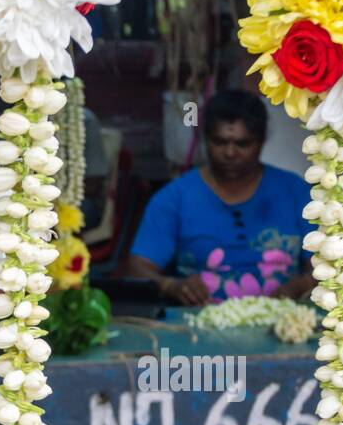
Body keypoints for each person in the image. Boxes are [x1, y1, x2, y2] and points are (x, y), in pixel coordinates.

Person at [122, 89, 314, 304]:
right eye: (219, 142)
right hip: (195, 326)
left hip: (285, 323)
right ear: (205, 140)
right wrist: (172, 286)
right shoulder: (174, 198)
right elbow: (137, 269)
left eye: (243, 144)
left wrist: (301, 285)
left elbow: (325, 267)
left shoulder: (295, 191)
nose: (230, 153)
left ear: (261, 142)